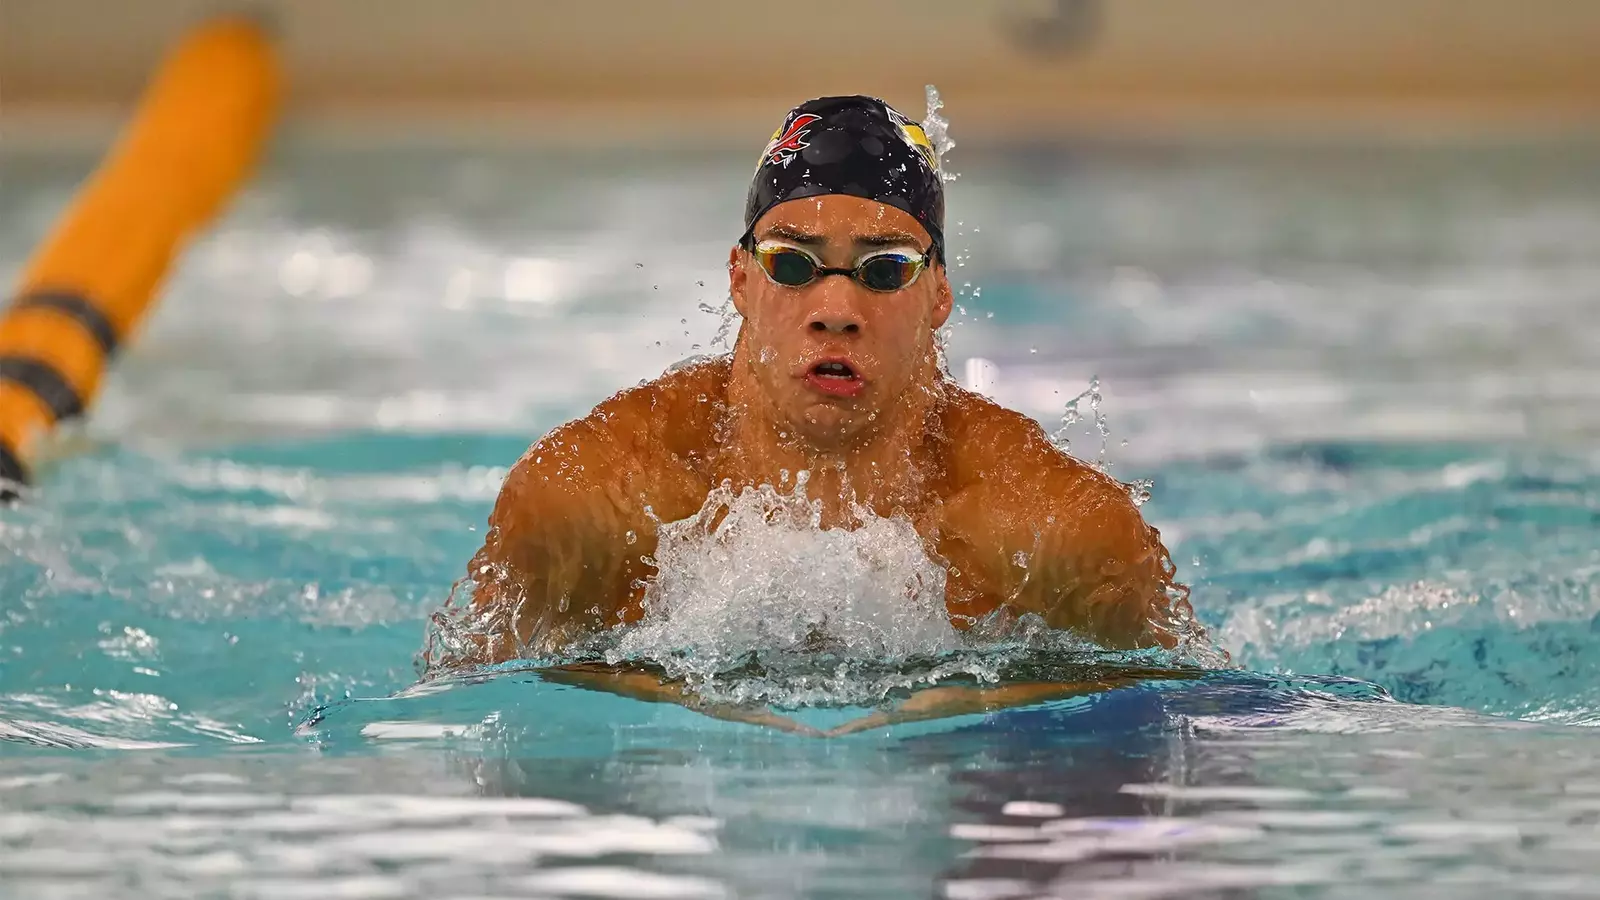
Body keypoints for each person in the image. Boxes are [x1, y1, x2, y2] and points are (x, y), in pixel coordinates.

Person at [443, 95, 1203, 682]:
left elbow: (1193, 713)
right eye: (794, 265)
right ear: (740, 278)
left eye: (884, 270)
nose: (836, 313)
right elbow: (469, 711)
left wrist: (985, 700)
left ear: (938, 293)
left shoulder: (1053, 532)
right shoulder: (591, 500)